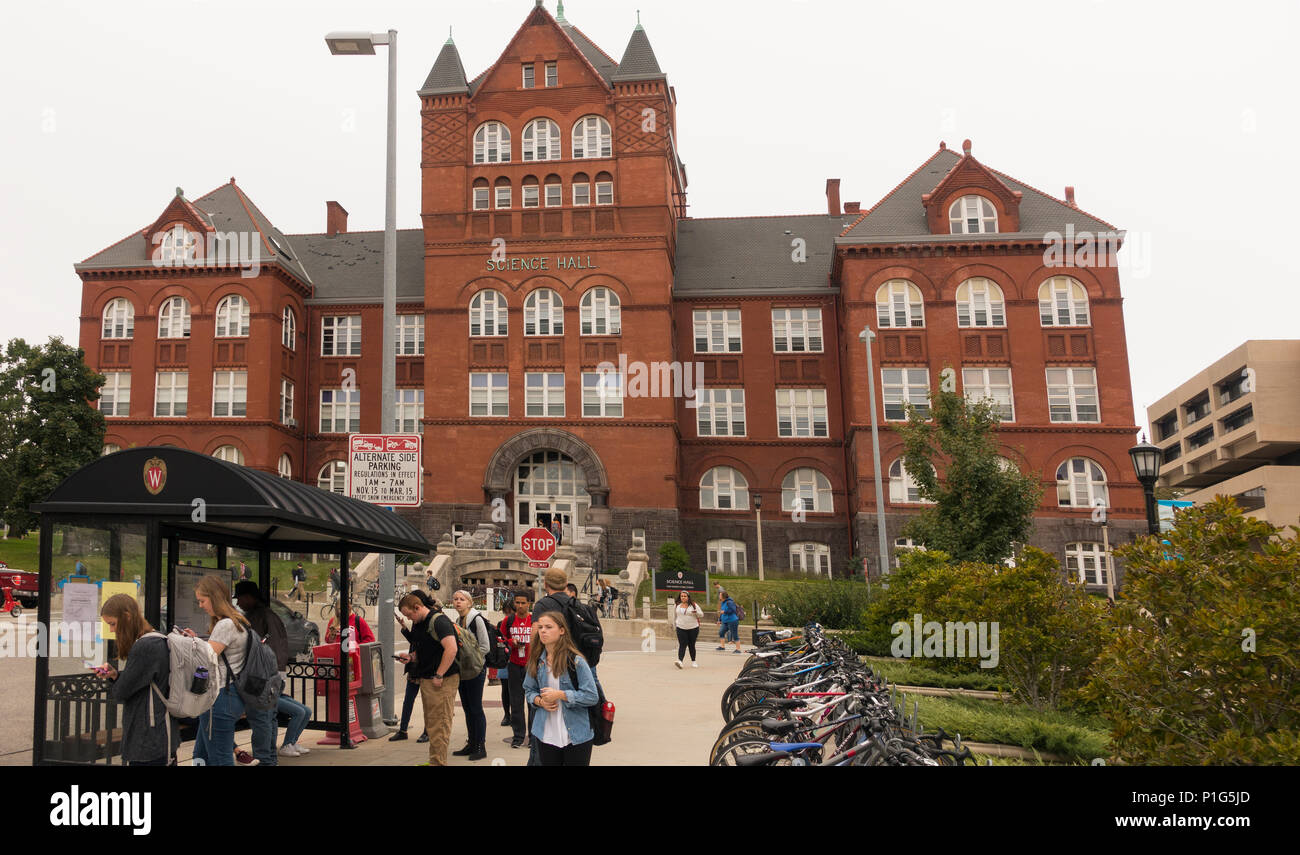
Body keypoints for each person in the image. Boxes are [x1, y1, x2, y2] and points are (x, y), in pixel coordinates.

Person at [96, 594, 178, 766]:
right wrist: (115, 675)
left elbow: (121, 692)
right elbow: (142, 681)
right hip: (162, 734)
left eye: (112, 623)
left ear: (127, 616)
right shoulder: (156, 638)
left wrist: (118, 681)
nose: (112, 630)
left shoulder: (144, 647)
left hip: (147, 739)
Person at [234, 581, 311, 761]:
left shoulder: (259, 617)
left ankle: (265, 759)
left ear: (249, 597)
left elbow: (266, 650)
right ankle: (269, 758)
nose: (238, 603)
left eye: (240, 598)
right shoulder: (268, 615)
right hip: (272, 675)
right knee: (269, 718)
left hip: (263, 678)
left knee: (262, 719)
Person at [186, 574, 251, 767]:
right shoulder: (237, 621)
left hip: (219, 697)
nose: (201, 606)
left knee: (219, 758)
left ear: (214, 598)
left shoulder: (225, 624)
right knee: (201, 754)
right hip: (229, 697)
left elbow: (205, 660)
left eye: (202, 601)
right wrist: (197, 640)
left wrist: (188, 644)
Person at [523, 609, 599, 766]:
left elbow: (592, 696)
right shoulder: (537, 661)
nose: (543, 631)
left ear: (562, 630)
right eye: (541, 627)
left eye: (549, 627)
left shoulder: (576, 661)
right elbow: (529, 690)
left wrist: (561, 695)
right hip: (546, 733)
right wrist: (539, 701)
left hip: (576, 733)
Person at [397, 592, 460, 766]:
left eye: (409, 615)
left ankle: (438, 763)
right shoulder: (421, 623)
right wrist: (410, 657)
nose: (410, 619)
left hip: (442, 680)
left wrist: (439, 674)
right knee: (433, 724)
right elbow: (426, 650)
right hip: (429, 679)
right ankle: (435, 760)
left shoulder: (439, 621)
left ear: (417, 607)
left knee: (439, 724)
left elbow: (451, 649)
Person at [391, 590, 437, 743]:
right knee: (408, 699)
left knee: (427, 701)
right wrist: (404, 628)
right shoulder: (416, 619)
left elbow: (426, 645)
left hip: (426, 666)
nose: (409, 617)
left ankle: (427, 731)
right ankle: (403, 730)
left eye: (409, 614)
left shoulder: (430, 618)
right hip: (414, 665)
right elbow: (415, 641)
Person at [449, 590, 490, 761]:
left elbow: (485, 646)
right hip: (463, 670)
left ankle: (480, 745)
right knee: (467, 708)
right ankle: (472, 743)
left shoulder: (476, 619)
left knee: (475, 708)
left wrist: (475, 661)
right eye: (456, 599)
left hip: (476, 670)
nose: (458, 602)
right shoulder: (459, 620)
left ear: (470, 603)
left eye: (462, 599)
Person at [499, 592, 533, 748]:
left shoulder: (534, 620)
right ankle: (518, 737)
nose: (520, 606)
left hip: (530, 665)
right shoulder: (508, 620)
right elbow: (501, 639)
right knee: (516, 702)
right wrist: (511, 642)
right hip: (513, 665)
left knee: (533, 702)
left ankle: (533, 737)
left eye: (523, 603)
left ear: (529, 604)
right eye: (517, 603)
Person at [673, 590, 704, 669]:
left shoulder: (693, 605)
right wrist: (674, 625)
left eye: (685, 596)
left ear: (688, 597)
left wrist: (696, 612)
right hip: (680, 627)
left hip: (693, 628)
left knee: (691, 645)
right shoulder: (677, 605)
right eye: (682, 596)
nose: (683, 597)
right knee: (682, 644)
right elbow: (674, 616)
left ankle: (694, 661)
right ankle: (680, 661)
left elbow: (701, 615)